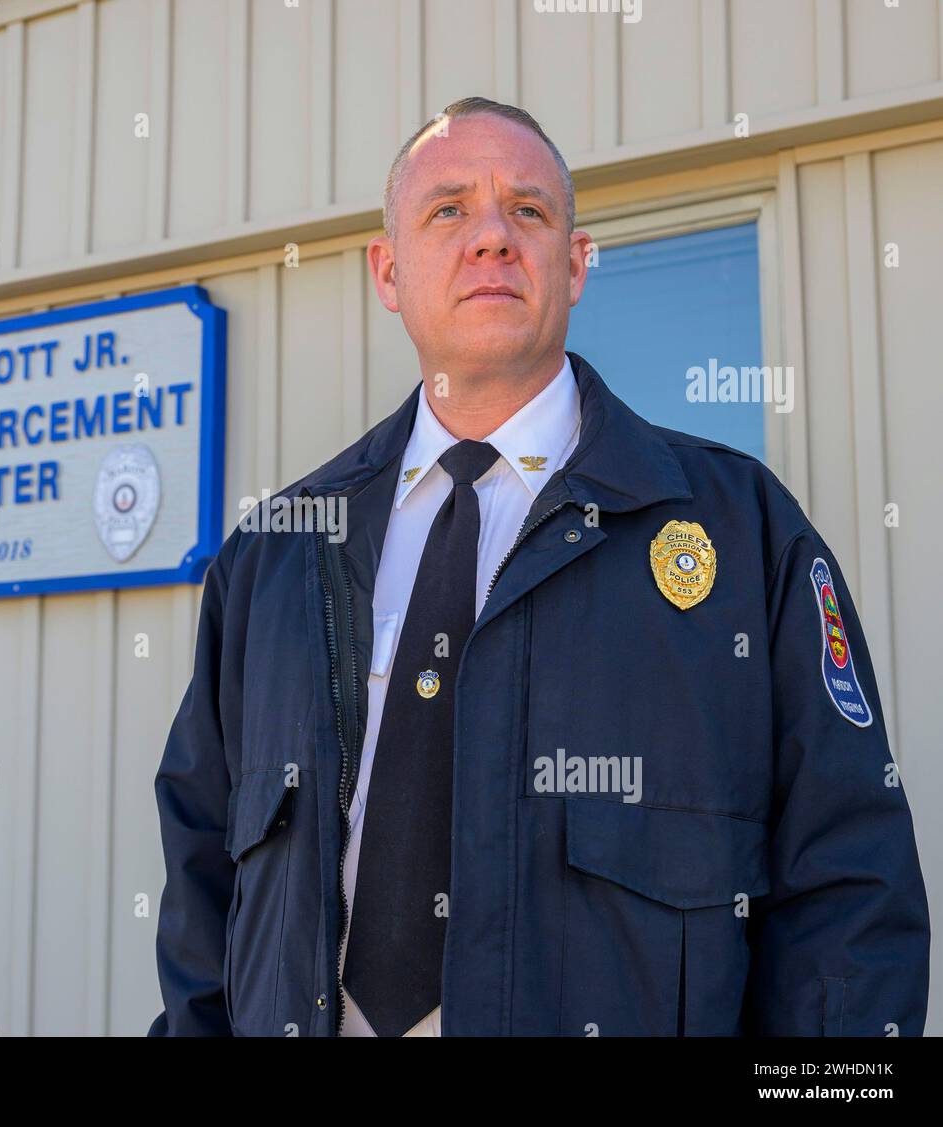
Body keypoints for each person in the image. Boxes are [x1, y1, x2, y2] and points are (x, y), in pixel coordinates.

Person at [148, 97, 930, 1037]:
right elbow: (201, 900)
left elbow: (852, 889)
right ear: (387, 271)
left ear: (576, 262)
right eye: (448, 210)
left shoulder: (745, 533)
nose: (491, 237)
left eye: (528, 210)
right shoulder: (273, 559)